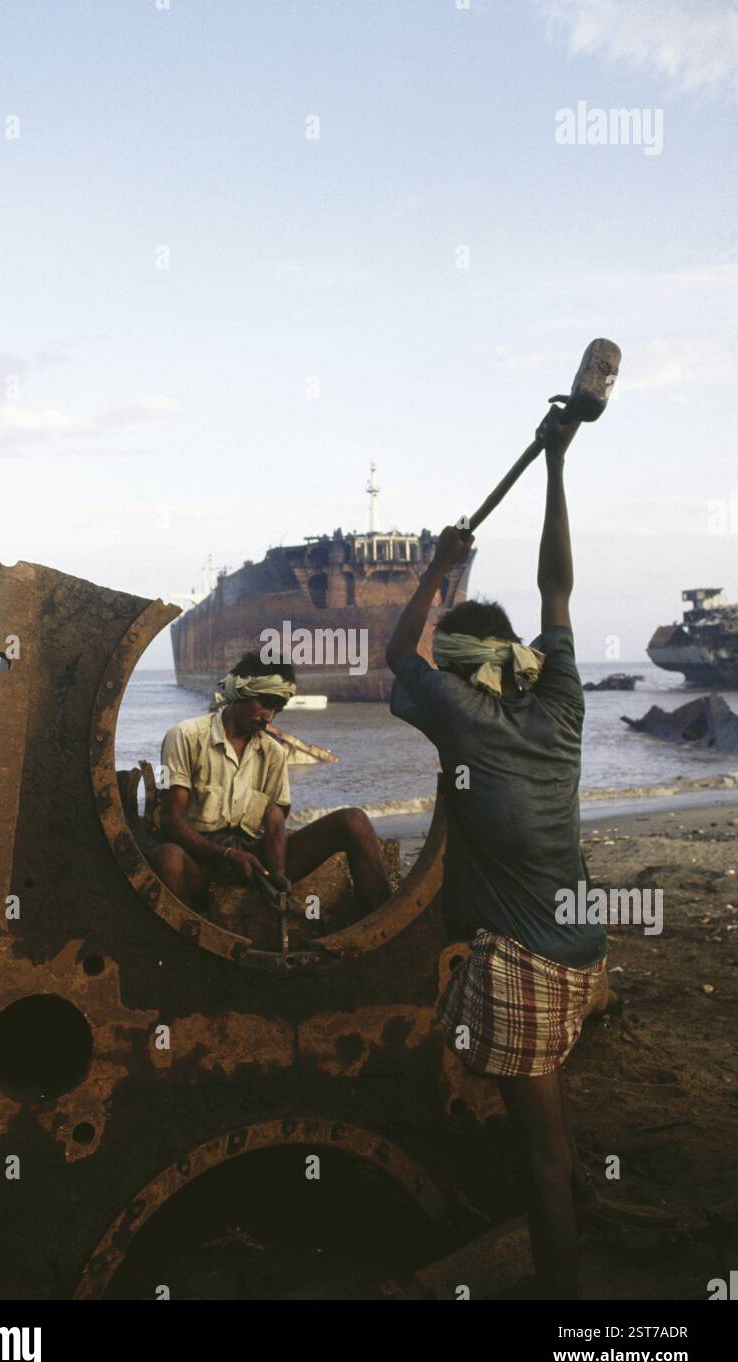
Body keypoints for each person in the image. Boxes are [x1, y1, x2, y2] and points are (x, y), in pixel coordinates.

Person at [385, 406, 608, 1299]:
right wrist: (556, 462)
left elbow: (398, 650)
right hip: (584, 947)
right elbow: (557, 588)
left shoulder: (459, 716)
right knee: (547, 1096)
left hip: (530, 964)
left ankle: (569, 1305)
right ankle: (577, 1193)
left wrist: (439, 564)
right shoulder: (562, 701)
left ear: (461, 667)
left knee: (539, 1153)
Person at [149, 651, 391, 919]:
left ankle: (385, 921)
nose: (269, 717)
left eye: (277, 709)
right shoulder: (184, 736)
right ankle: (192, 938)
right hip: (202, 858)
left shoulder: (274, 753)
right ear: (241, 691)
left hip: (255, 858)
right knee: (167, 858)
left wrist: (276, 872)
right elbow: (171, 821)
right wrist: (227, 854)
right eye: (265, 704)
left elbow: (275, 822)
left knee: (353, 821)